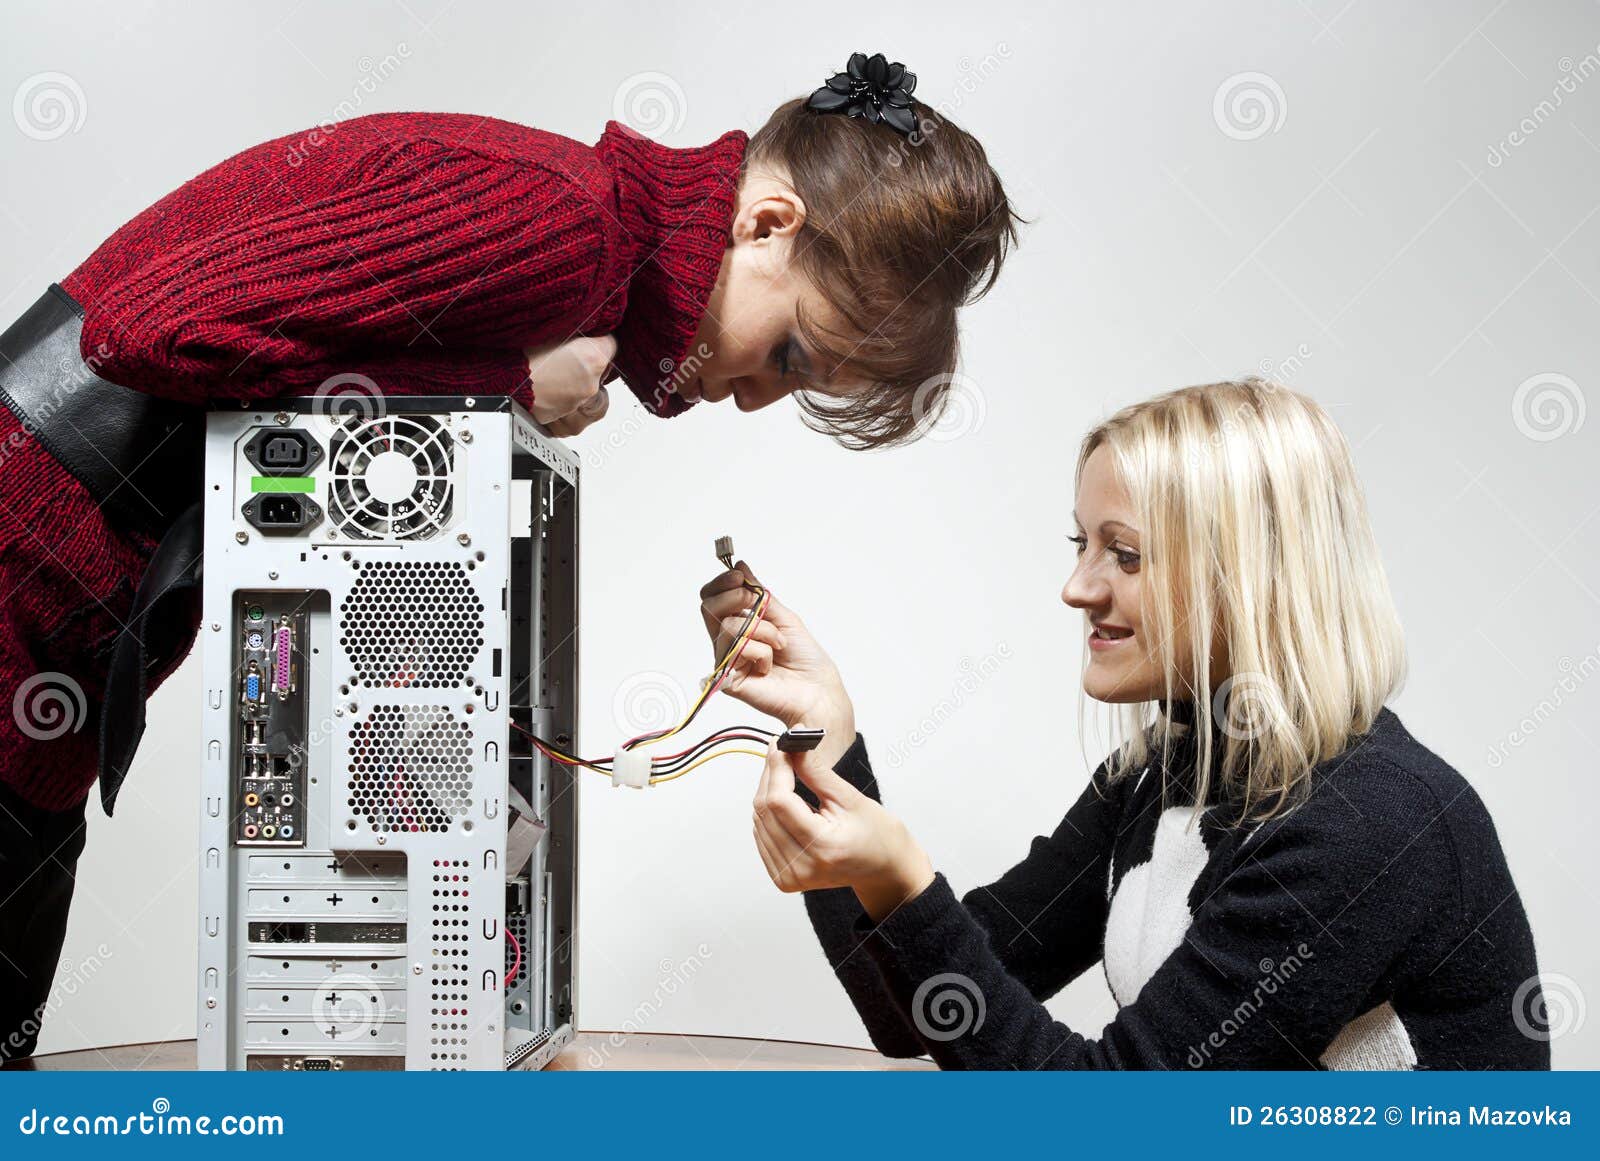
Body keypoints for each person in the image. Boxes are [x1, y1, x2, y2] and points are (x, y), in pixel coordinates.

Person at [0, 51, 1020, 1060]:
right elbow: (146, 334)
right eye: (789, 354)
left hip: (51, 658)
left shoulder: (581, 237)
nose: (755, 396)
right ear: (766, 223)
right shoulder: (568, 222)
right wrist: (510, 384)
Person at [698, 378, 1549, 1069]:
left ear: (1247, 578)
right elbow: (915, 1012)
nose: (1078, 588)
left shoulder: (1370, 825)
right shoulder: (1158, 775)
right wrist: (829, 734)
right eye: (1081, 544)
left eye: (1126, 553)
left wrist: (904, 877)